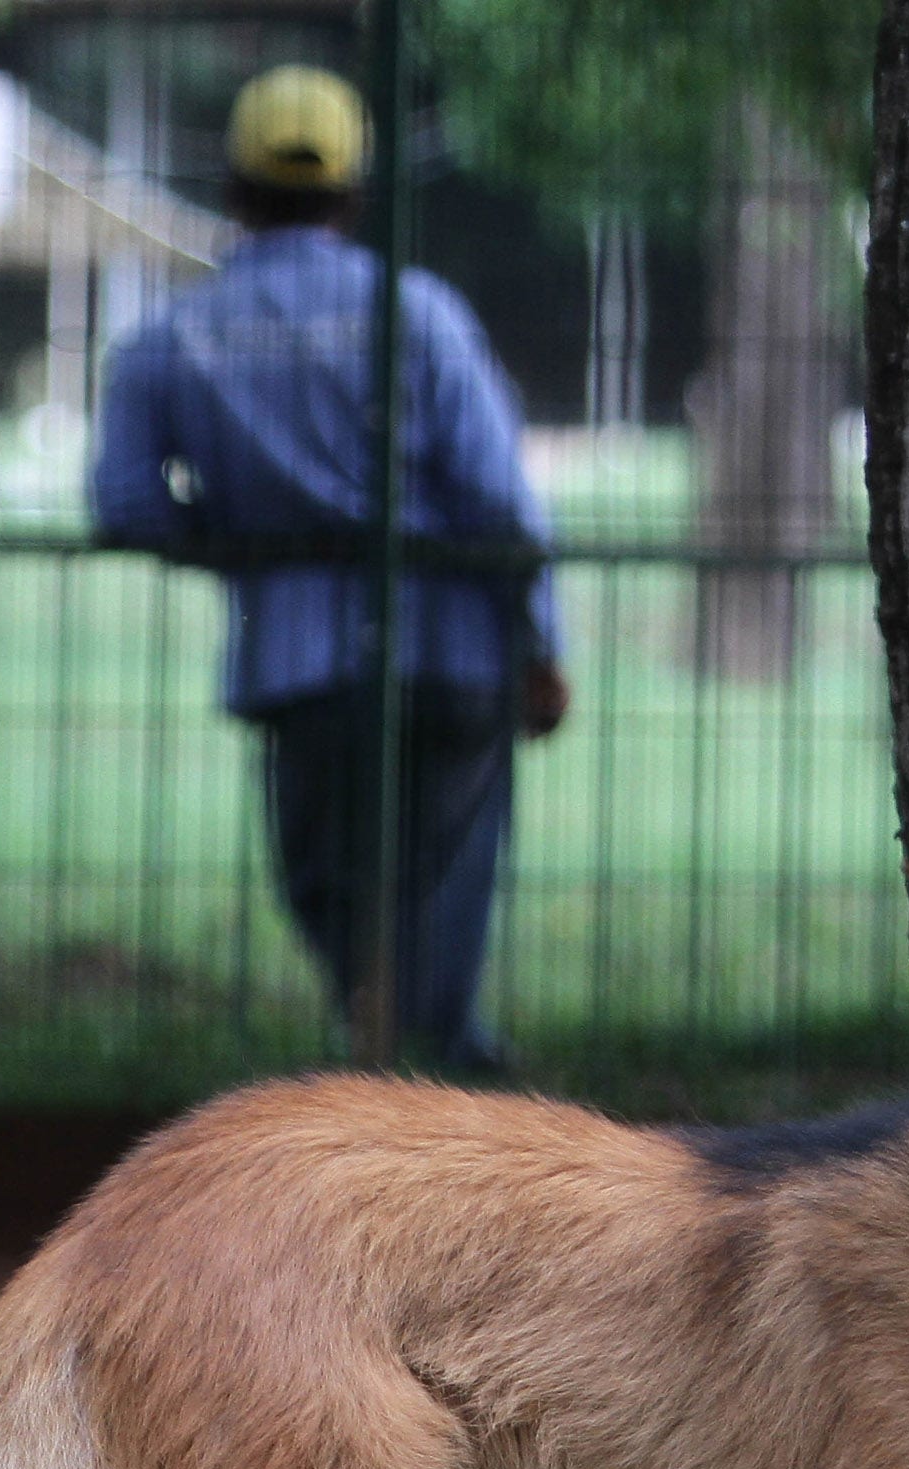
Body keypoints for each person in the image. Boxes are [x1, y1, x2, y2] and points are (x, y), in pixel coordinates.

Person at [90, 65, 568, 1076]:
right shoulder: (419, 315)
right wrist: (540, 643)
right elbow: (499, 504)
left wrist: (239, 538)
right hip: (452, 655)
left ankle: (399, 1062)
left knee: (332, 890)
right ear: (355, 193)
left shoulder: (173, 334)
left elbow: (125, 504)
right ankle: (441, 1066)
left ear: (233, 189)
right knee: (440, 886)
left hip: (297, 662)